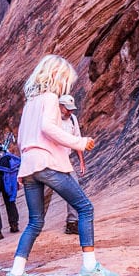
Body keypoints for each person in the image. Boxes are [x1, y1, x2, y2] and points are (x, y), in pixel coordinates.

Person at [3, 55, 119, 276]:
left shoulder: (30, 103)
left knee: (35, 222)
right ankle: (89, 268)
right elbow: (48, 128)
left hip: (29, 166)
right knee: (85, 208)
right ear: (56, 75)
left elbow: (24, 137)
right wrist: (79, 142)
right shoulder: (49, 98)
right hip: (47, 163)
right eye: (65, 79)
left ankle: (16, 273)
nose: (66, 85)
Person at [43, 94, 86, 234]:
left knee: (75, 188)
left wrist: (81, 161)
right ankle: (37, 222)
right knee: (45, 193)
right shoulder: (51, 120)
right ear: (60, 106)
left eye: (71, 109)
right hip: (50, 160)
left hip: (65, 160)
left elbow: (77, 139)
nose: (70, 112)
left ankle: (72, 222)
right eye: (67, 109)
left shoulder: (73, 119)